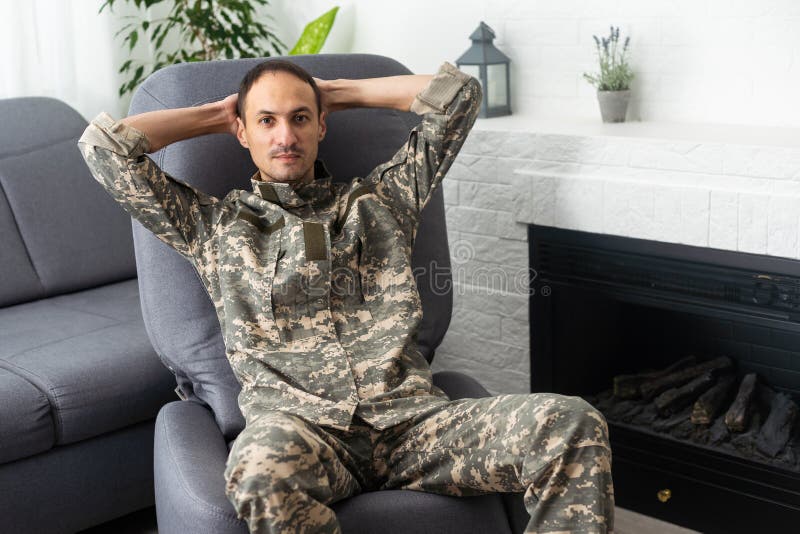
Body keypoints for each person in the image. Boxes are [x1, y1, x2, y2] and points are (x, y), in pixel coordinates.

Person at [78, 58, 614, 534]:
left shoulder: (384, 200)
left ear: (321, 125)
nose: (285, 135)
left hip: (415, 427)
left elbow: (460, 96)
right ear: (243, 131)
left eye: (300, 117)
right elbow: (103, 148)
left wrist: (340, 92)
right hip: (304, 434)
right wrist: (218, 115)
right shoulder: (214, 227)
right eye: (266, 121)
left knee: (573, 421)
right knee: (258, 469)